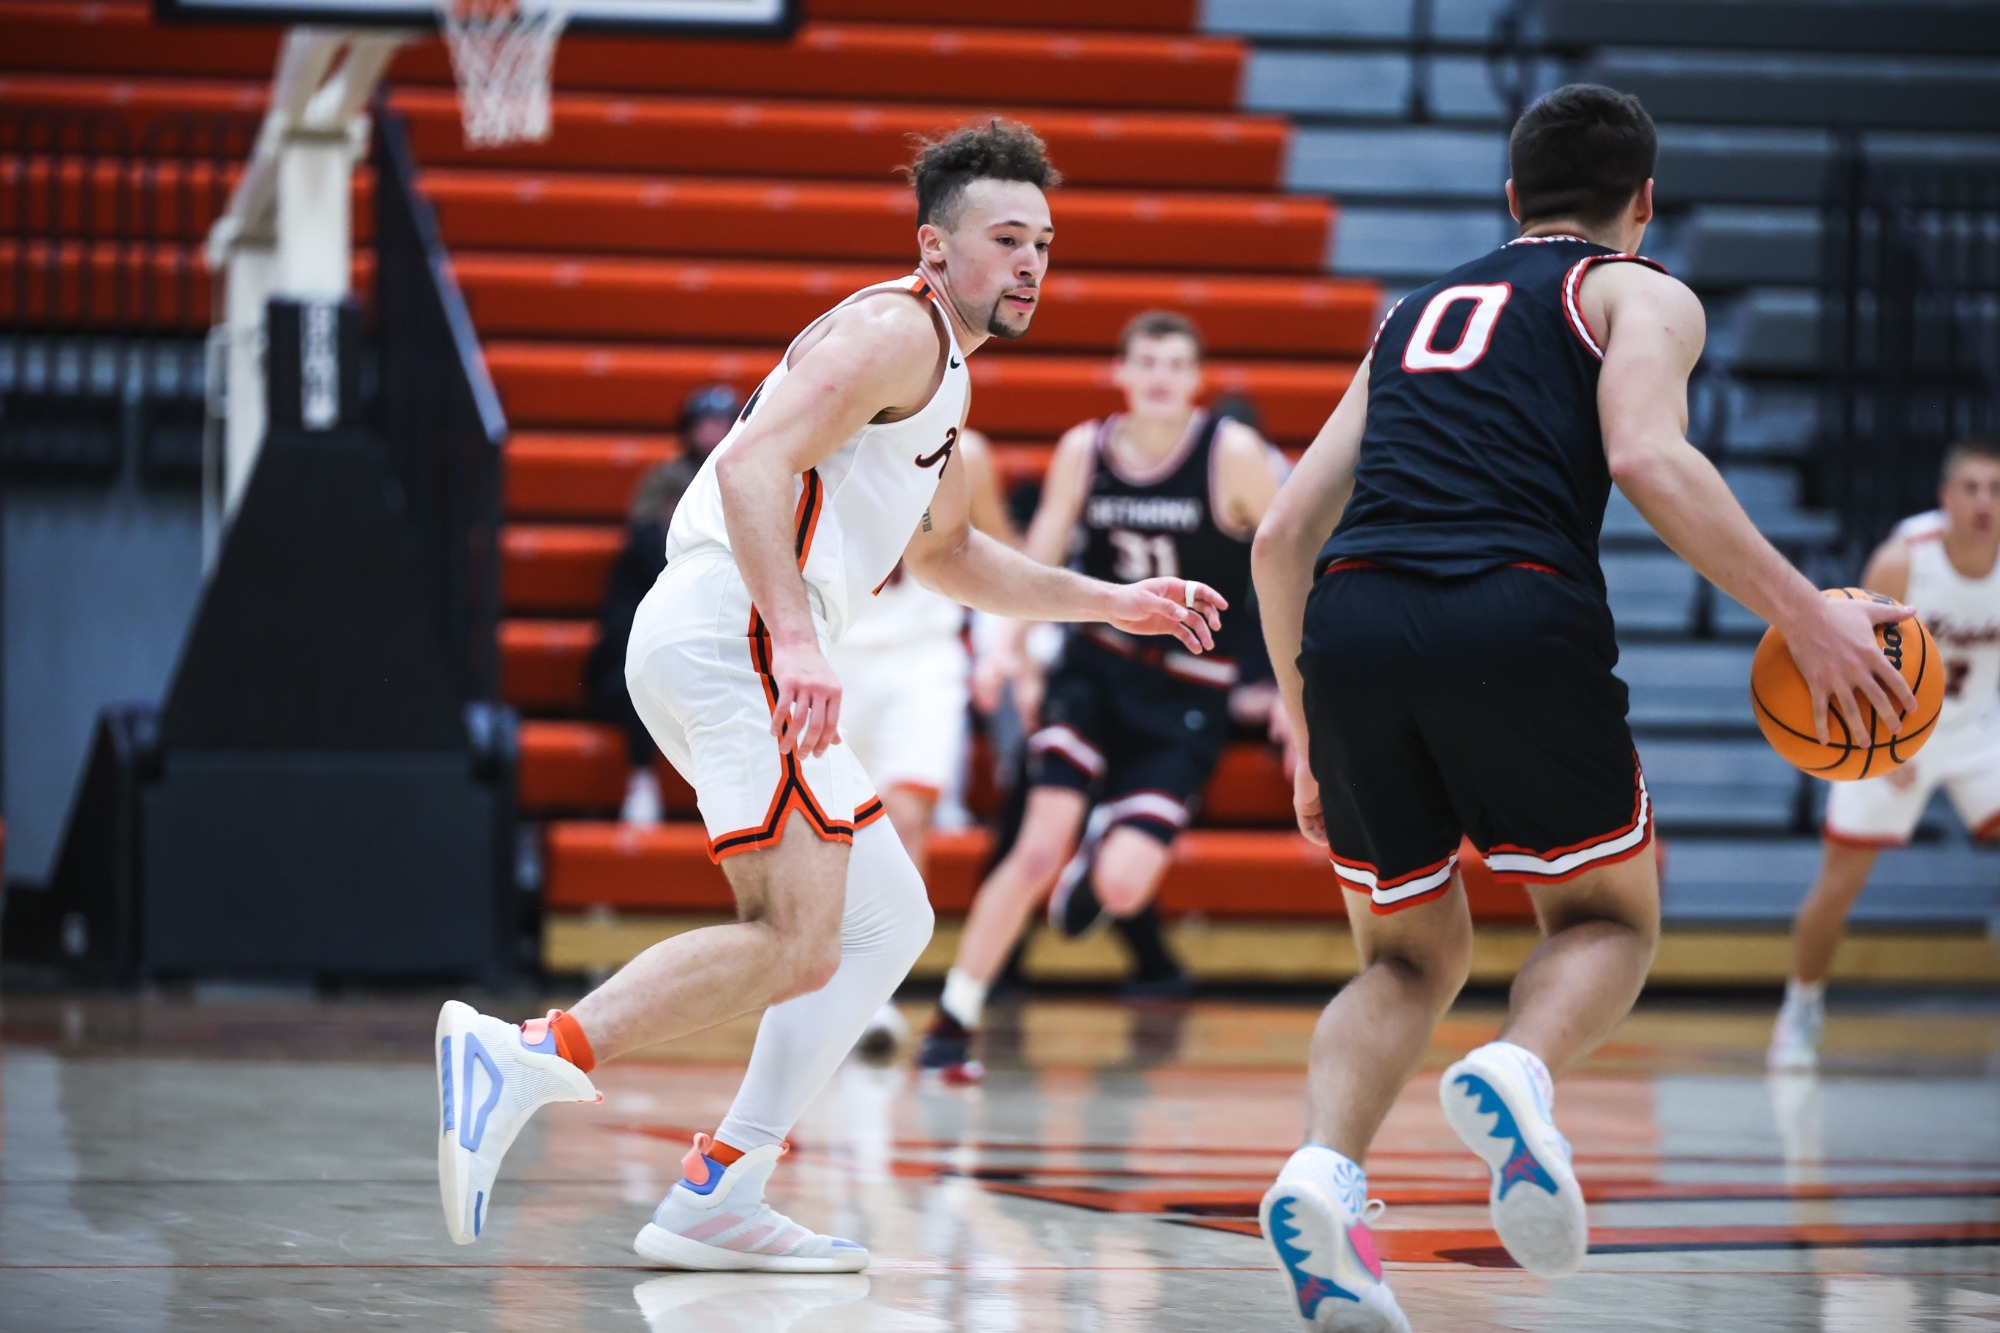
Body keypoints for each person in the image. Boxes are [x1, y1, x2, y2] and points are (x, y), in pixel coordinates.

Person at [433, 119, 1227, 1273]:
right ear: (933, 245)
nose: (1029, 264)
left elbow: (952, 556)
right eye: (1004, 238)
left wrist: (1109, 603)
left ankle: (720, 1188)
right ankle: (524, 1053)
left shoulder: (942, 378)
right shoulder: (893, 327)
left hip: (738, 631)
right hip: (736, 625)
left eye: (1042, 242)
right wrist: (797, 638)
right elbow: (754, 464)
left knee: (884, 918)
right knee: (799, 934)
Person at [1248, 84, 1915, 1330]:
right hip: (1510, 600)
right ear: (1641, 206)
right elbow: (1649, 458)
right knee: (1607, 918)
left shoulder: (1407, 313)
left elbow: (1283, 532)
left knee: (1404, 952)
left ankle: (1320, 1171)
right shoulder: (1633, 290)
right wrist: (1803, 611)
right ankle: (1515, 1066)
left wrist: (1303, 728)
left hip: (1347, 619)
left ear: (1510, 202)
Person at [918, 310, 1278, 1082]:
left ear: (1195, 379)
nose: (1157, 376)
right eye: (1144, 361)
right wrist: (1005, 650)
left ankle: (1097, 858)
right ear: (1121, 371)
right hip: (1095, 668)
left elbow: (1289, 560)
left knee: (1123, 882)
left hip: (1188, 691)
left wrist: (1287, 683)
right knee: (1036, 842)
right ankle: (953, 1018)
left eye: (1174, 364)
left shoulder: (1232, 455)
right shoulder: (1086, 448)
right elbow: (1040, 554)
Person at [1770, 437, 2000, 1071]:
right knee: (1840, 885)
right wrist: (1880, 749)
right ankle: (1802, 1006)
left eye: (1997, 489)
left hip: (1981, 728)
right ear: (1946, 498)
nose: (1985, 502)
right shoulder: (1901, 561)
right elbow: (1854, 664)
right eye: (1972, 488)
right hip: (1893, 731)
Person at [830, 426, 1019, 1055]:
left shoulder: (970, 452)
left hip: (923, 657)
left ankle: (876, 996)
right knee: (833, 833)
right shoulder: (826, 436)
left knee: (904, 818)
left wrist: (1006, 651)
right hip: (837, 650)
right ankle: (833, 981)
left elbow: (994, 550)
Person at [583, 457, 701, 826]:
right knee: (644, 679)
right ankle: (642, 781)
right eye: (675, 504)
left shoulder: (714, 563)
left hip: (689, 670)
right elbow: (618, 632)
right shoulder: (639, 556)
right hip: (626, 672)